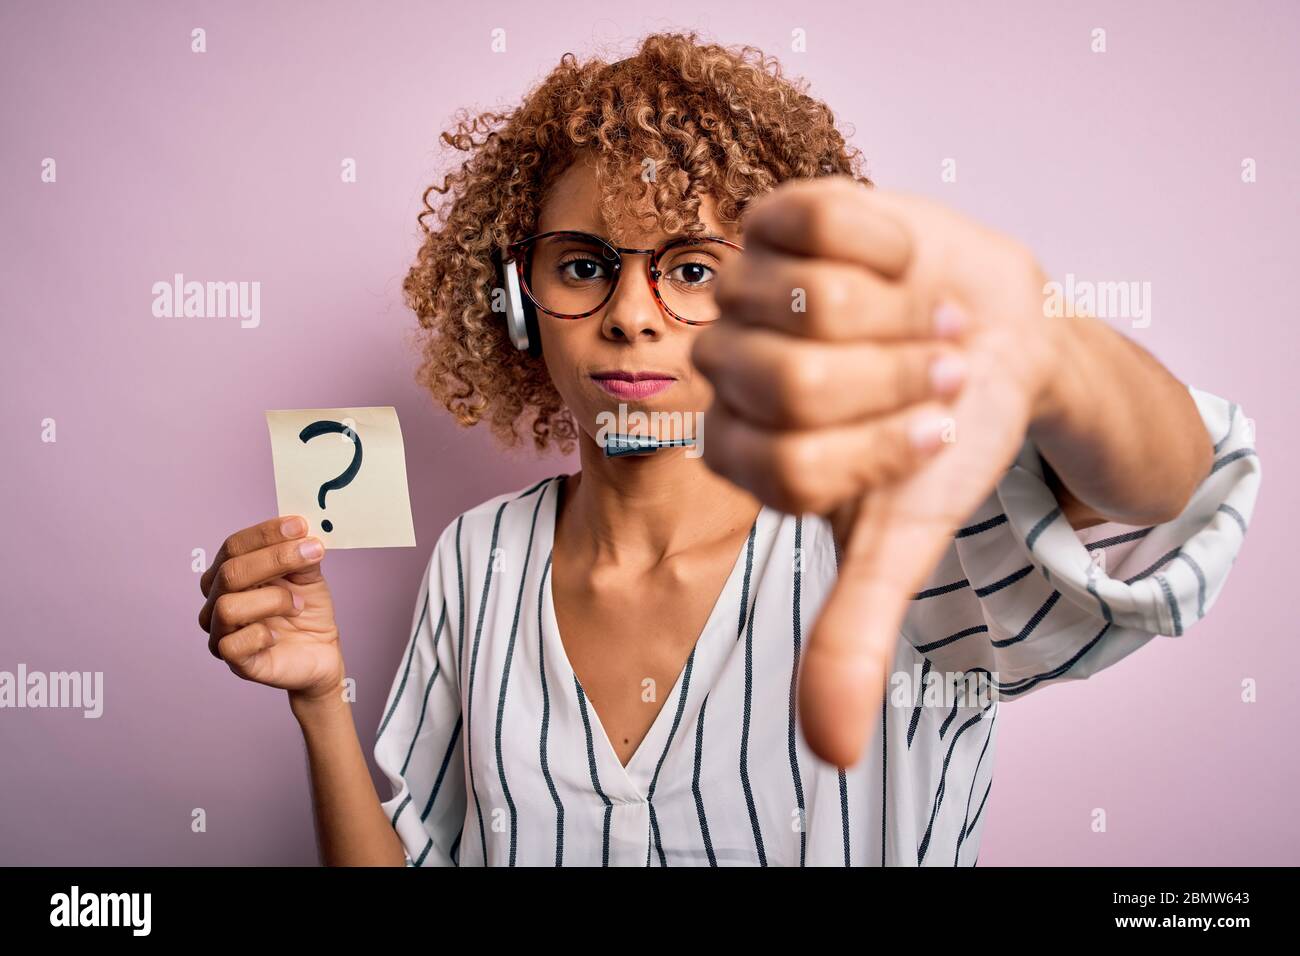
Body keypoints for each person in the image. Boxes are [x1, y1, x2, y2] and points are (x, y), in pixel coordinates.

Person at [197, 32, 1260, 866]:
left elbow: (1170, 489)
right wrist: (319, 701)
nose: (632, 316)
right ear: (518, 304)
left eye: (693, 269)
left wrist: (1048, 338)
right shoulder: (478, 560)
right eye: (582, 266)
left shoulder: (884, 533)